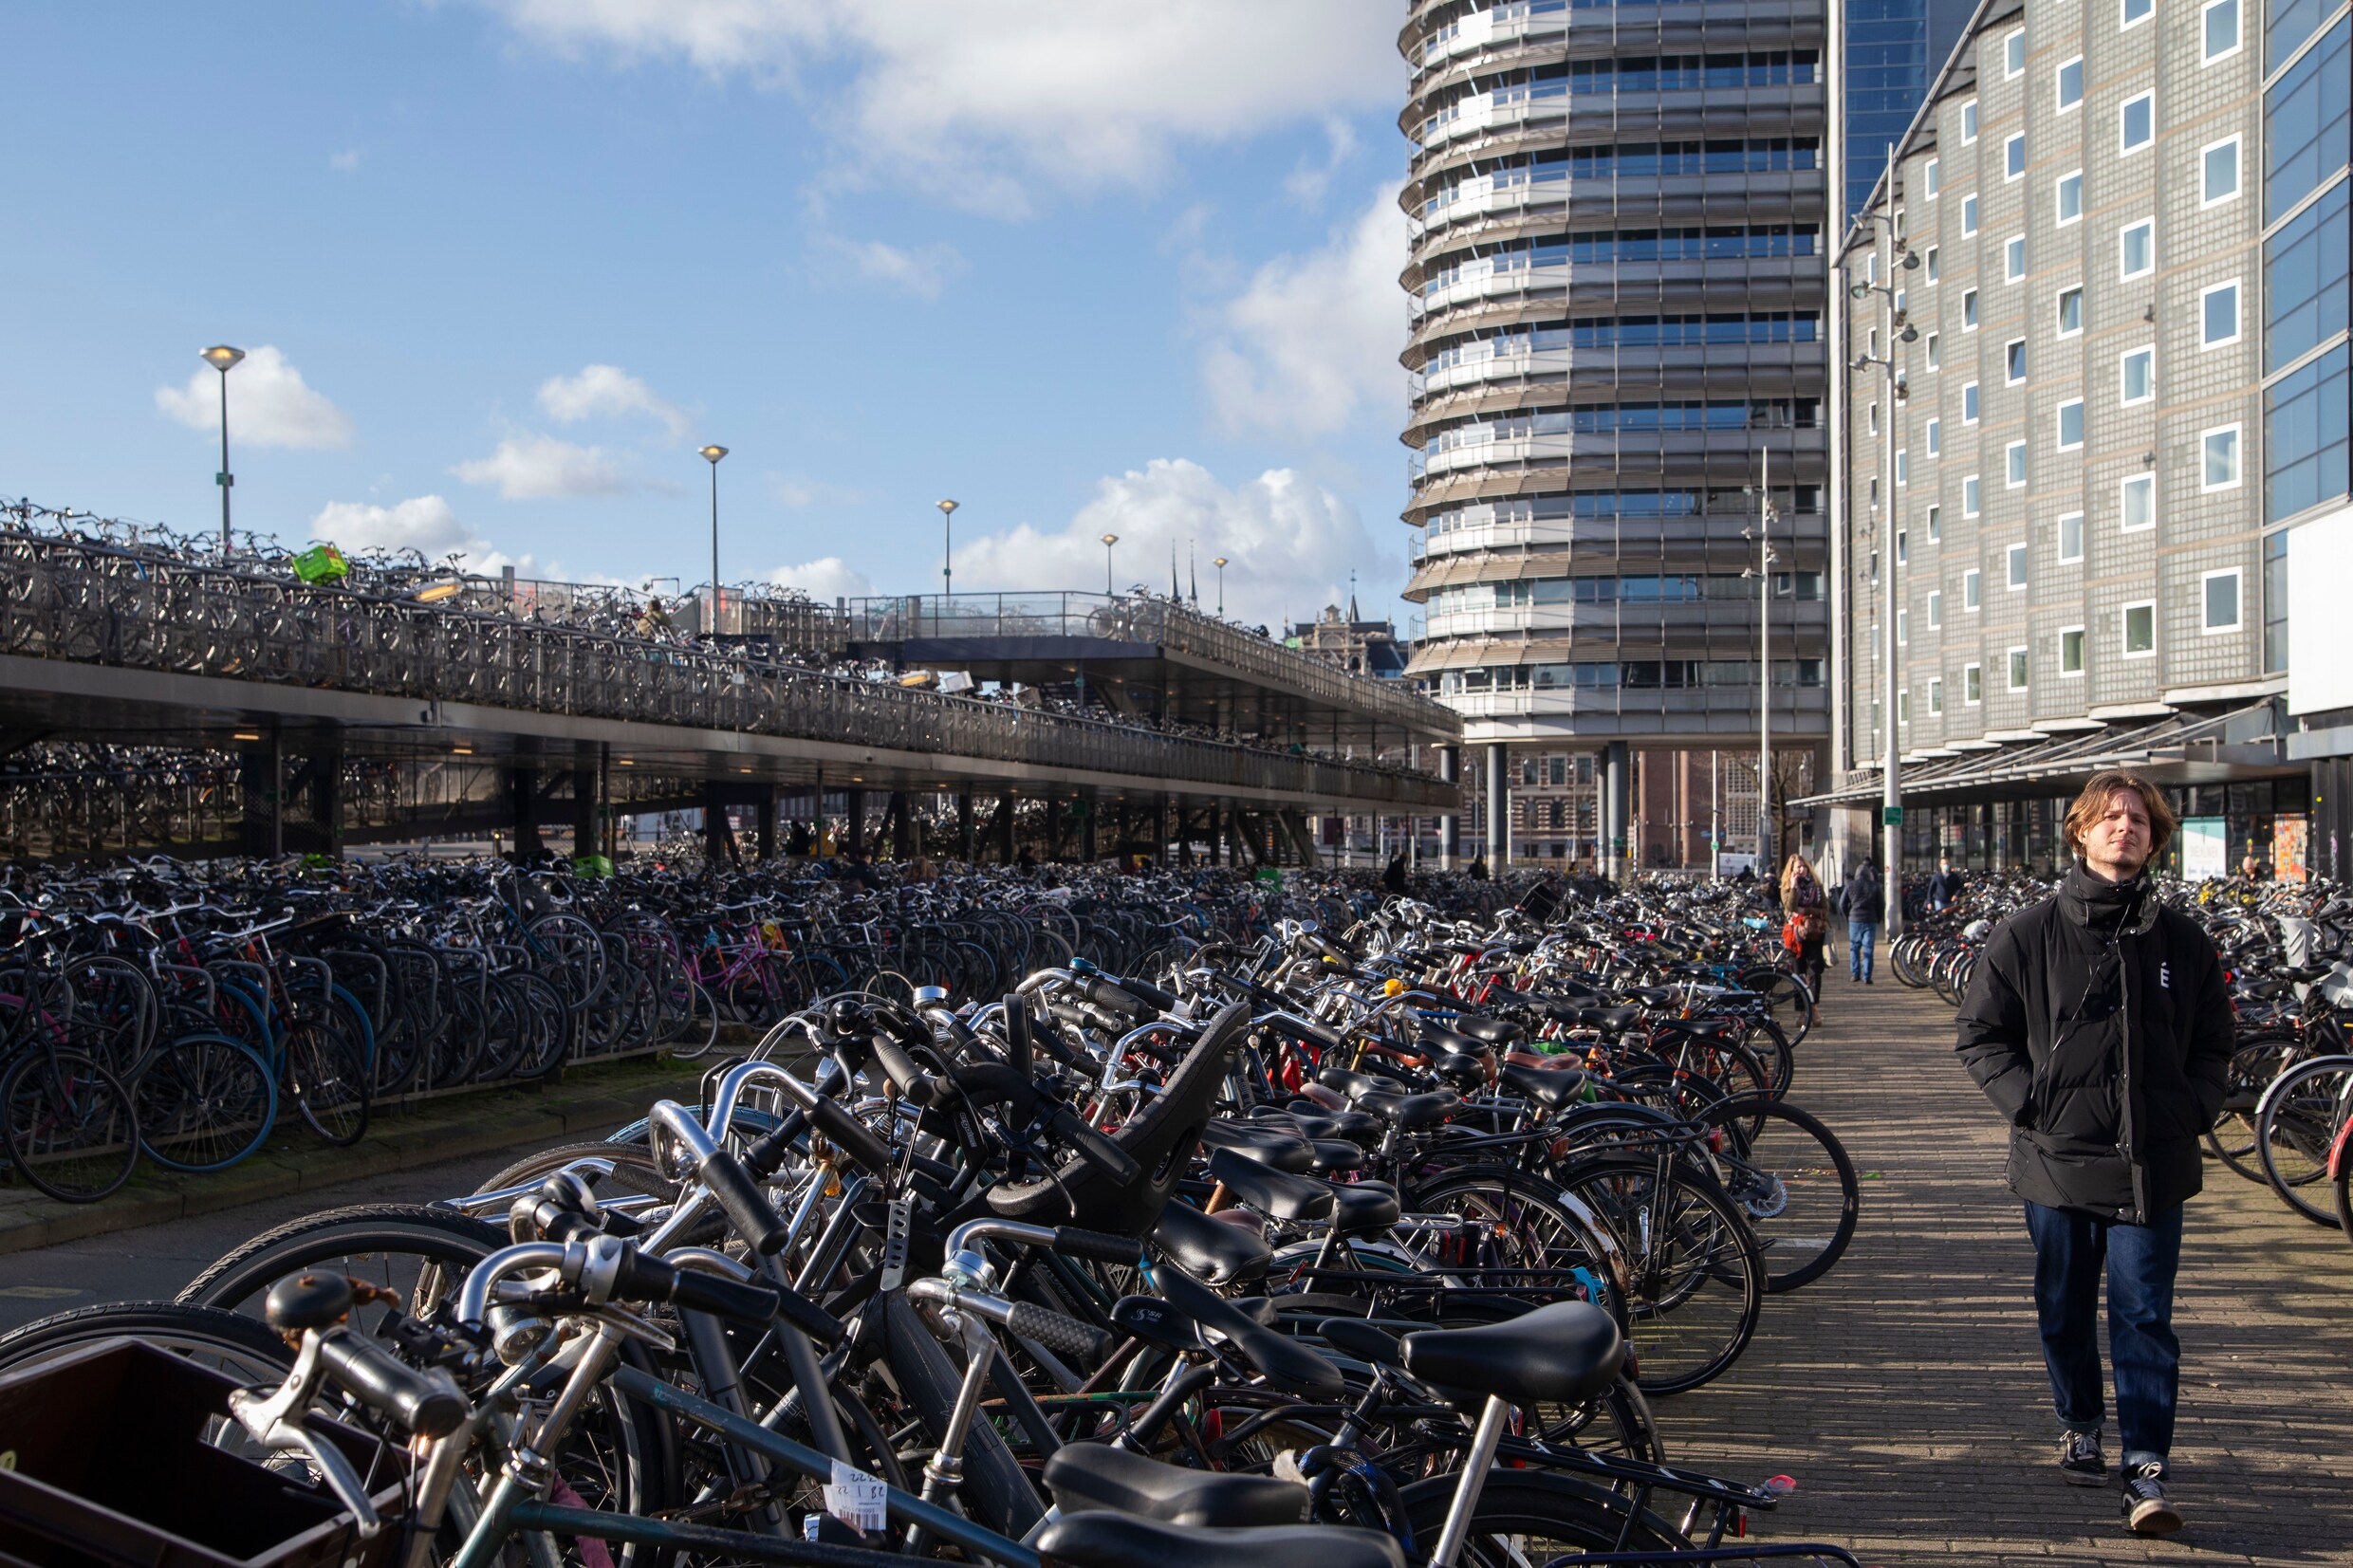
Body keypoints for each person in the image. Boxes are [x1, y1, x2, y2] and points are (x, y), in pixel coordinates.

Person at [1955, 770, 2232, 1537]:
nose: (2126, 828)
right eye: (2110, 817)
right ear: (2080, 831)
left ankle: (2146, 1465)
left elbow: (2216, 1042)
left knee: (2144, 1314)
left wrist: (2193, 1109)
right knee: (2064, 1305)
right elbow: (1980, 1035)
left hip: (2153, 1162)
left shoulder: (2182, 939)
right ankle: (2079, 1416)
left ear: (2156, 836)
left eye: (2139, 819)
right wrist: (2031, 1106)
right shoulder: (2031, 931)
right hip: (2057, 1162)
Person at [1777, 853, 1829, 1007]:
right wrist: (1794, 887)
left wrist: (1805, 911)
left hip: (1815, 932)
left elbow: (1825, 908)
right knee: (1798, 972)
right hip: (1795, 934)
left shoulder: (1817, 886)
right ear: (1791, 870)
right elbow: (1790, 908)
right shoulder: (1787, 886)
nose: (1801, 870)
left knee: (1815, 970)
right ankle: (1801, 1010)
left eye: (1803, 866)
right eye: (1797, 867)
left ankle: (1814, 1007)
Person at [1844, 858, 1883, 984]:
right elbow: (1881, 904)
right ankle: (1867, 976)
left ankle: (1855, 974)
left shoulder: (1850, 885)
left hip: (1854, 919)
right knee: (1868, 948)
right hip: (1870, 919)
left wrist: (1847, 915)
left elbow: (1841, 903)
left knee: (1854, 947)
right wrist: (1878, 917)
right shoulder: (1875, 886)